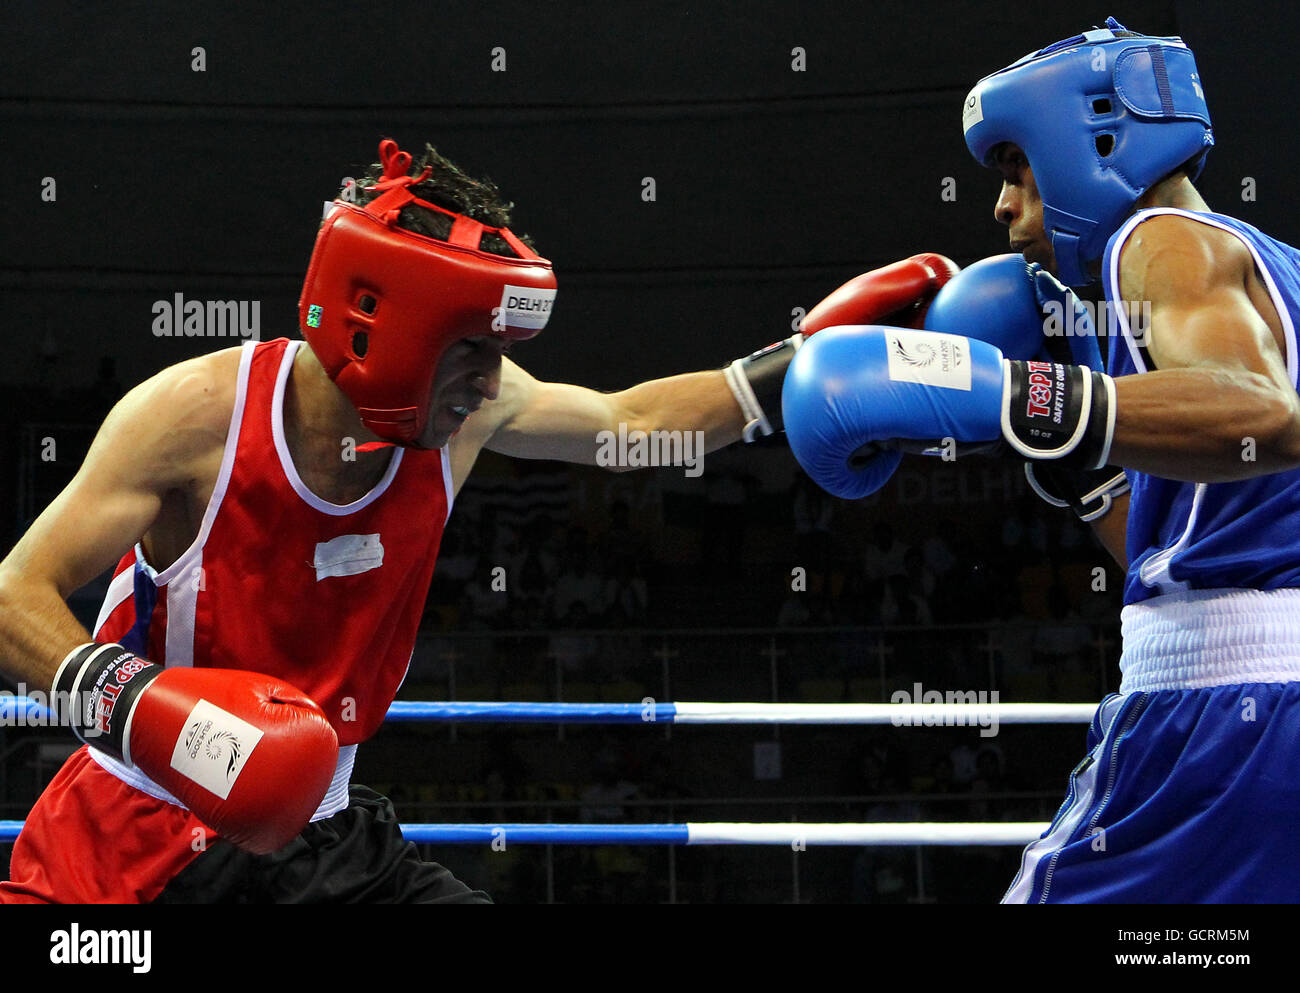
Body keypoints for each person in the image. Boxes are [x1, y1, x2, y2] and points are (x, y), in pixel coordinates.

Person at [0, 137, 959, 903]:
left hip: (326, 842)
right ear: (386, 326)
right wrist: (155, 717)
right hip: (142, 841)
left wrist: (803, 359)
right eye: (471, 349)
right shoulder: (194, 419)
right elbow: (13, 595)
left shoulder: (464, 420)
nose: (492, 382)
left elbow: (631, 424)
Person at [785, 19, 1300, 902]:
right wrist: (1085, 476)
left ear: (1095, 136)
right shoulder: (1276, 268)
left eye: (1016, 167)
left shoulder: (1160, 238)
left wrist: (1014, 394)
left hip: (1222, 713)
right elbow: (1198, 540)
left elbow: (1260, 415)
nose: (1003, 206)